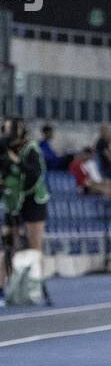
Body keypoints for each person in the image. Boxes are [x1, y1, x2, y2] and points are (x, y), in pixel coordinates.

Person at [0, 118, 50, 308]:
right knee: (6, 246)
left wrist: (16, 161)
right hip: (13, 201)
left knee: (34, 246)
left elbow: (34, 174)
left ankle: (34, 287)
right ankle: (3, 289)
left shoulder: (31, 149)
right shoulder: (3, 150)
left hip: (33, 200)